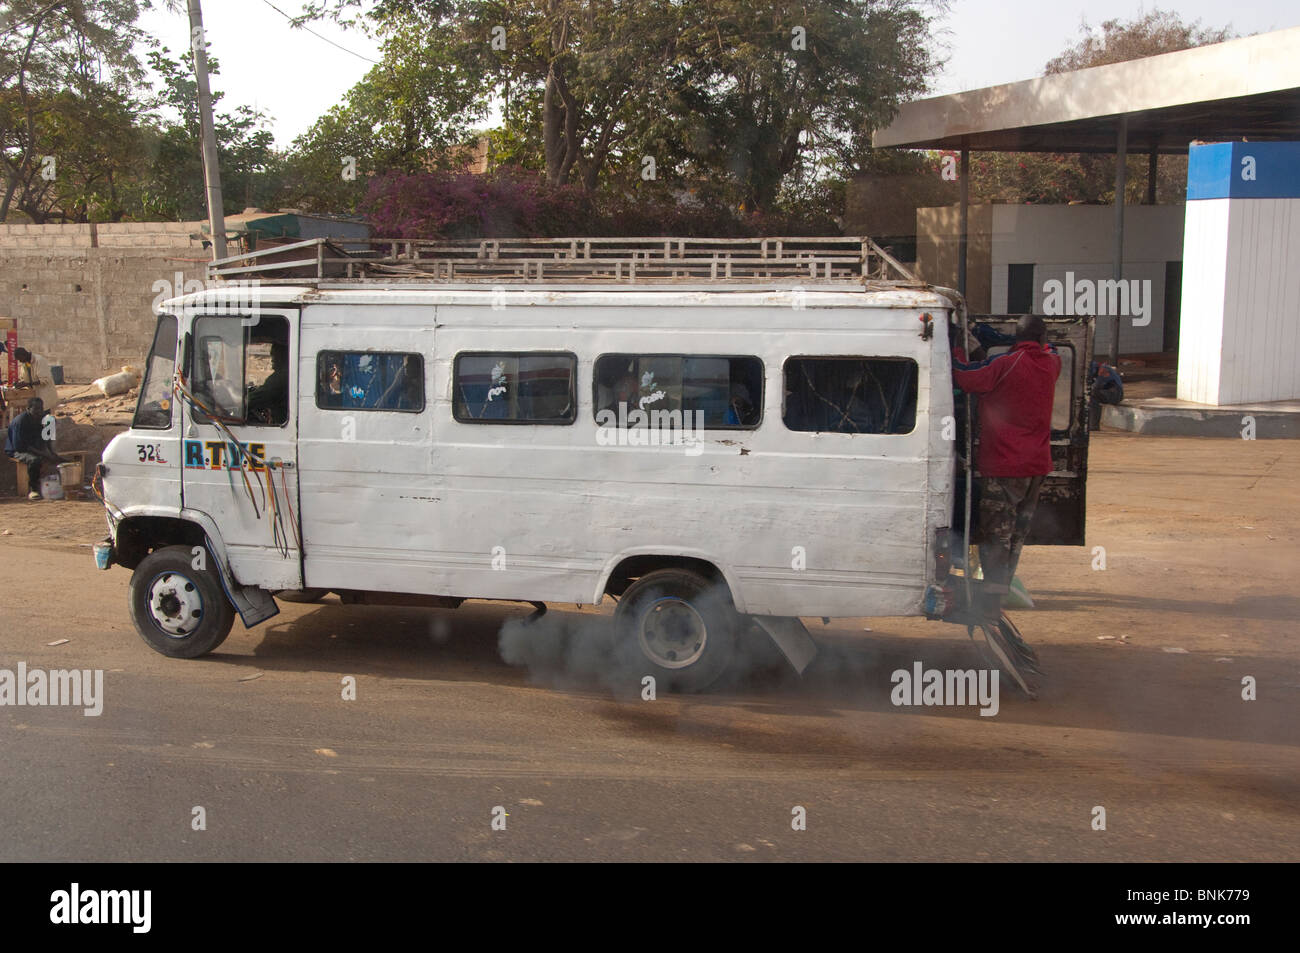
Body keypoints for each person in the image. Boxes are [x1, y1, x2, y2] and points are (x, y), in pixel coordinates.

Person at [953, 314, 1061, 620]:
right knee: (1016, 535)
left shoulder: (1004, 365)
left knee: (996, 535)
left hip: (1004, 465)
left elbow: (964, 376)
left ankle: (990, 601)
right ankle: (998, 596)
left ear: (1017, 338)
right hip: (1036, 467)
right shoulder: (1053, 364)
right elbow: (1048, 348)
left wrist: (959, 345)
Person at [5, 397, 67, 500]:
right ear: (28, 409)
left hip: (35, 447)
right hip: (17, 450)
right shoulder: (21, 422)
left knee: (60, 460)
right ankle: (34, 490)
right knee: (34, 460)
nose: (39, 412)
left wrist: (51, 453)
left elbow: (48, 439)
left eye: (41, 409)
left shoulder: (46, 419)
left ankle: (66, 487)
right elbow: (21, 446)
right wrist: (44, 454)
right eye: (36, 409)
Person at [2, 346, 60, 412]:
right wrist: (21, 383)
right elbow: (25, 377)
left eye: (20, 359)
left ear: (24, 355)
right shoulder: (25, 363)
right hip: (34, 393)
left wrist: (28, 383)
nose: (20, 361)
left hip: (44, 392)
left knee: (44, 413)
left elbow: (44, 380)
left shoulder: (39, 360)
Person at [246, 342, 289, 425]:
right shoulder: (285, 375)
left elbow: (253, 400)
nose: (272, 359)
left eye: (275, 355)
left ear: (284, 356)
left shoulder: (280, 377)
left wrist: (240, 400)